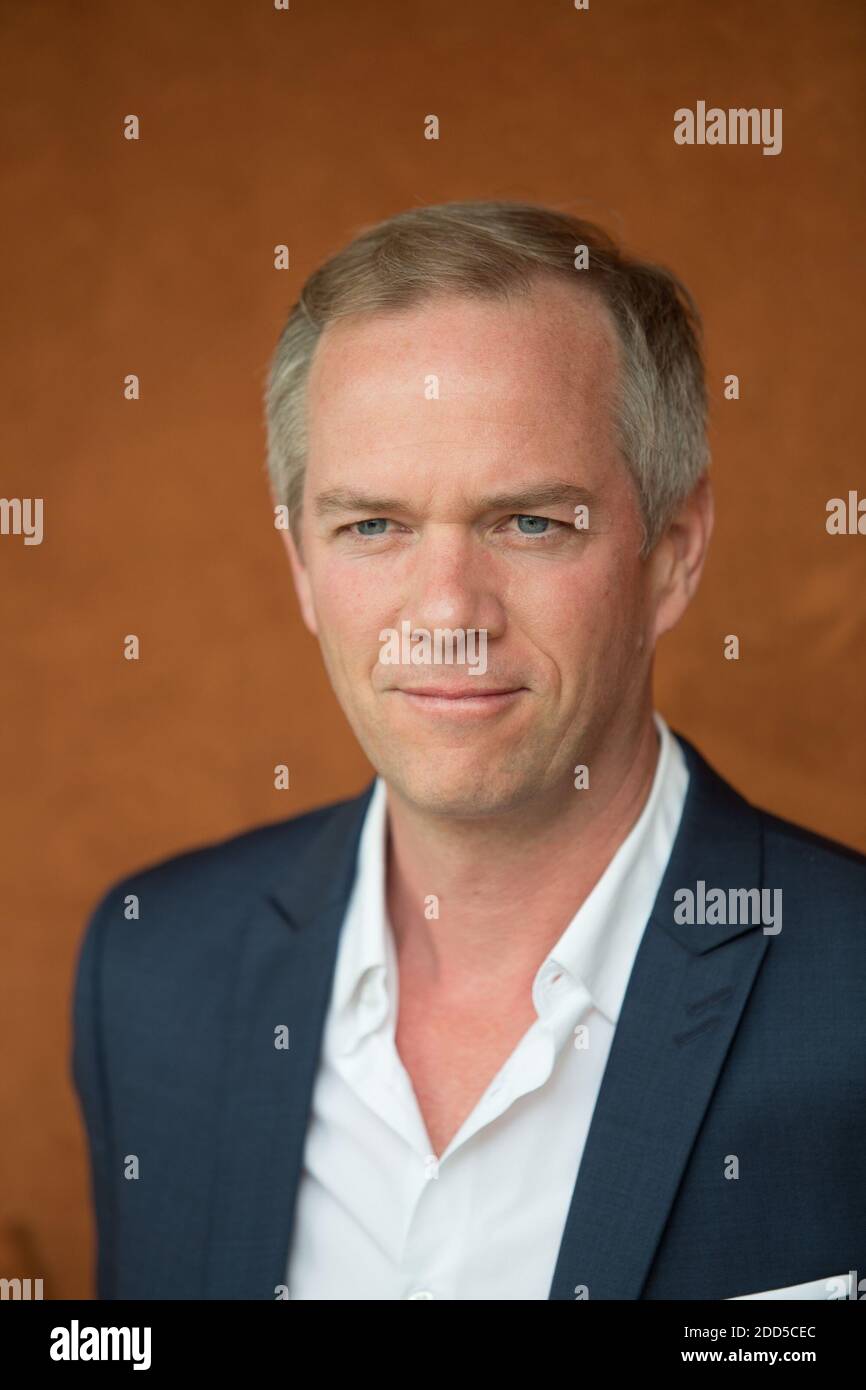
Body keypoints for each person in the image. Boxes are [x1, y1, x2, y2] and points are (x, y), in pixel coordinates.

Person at [72, 201, 866, 1301]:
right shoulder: (151, 972)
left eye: (529, 522)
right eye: (372, 526)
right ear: (302, 564)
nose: (445, 614)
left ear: (671, 557)